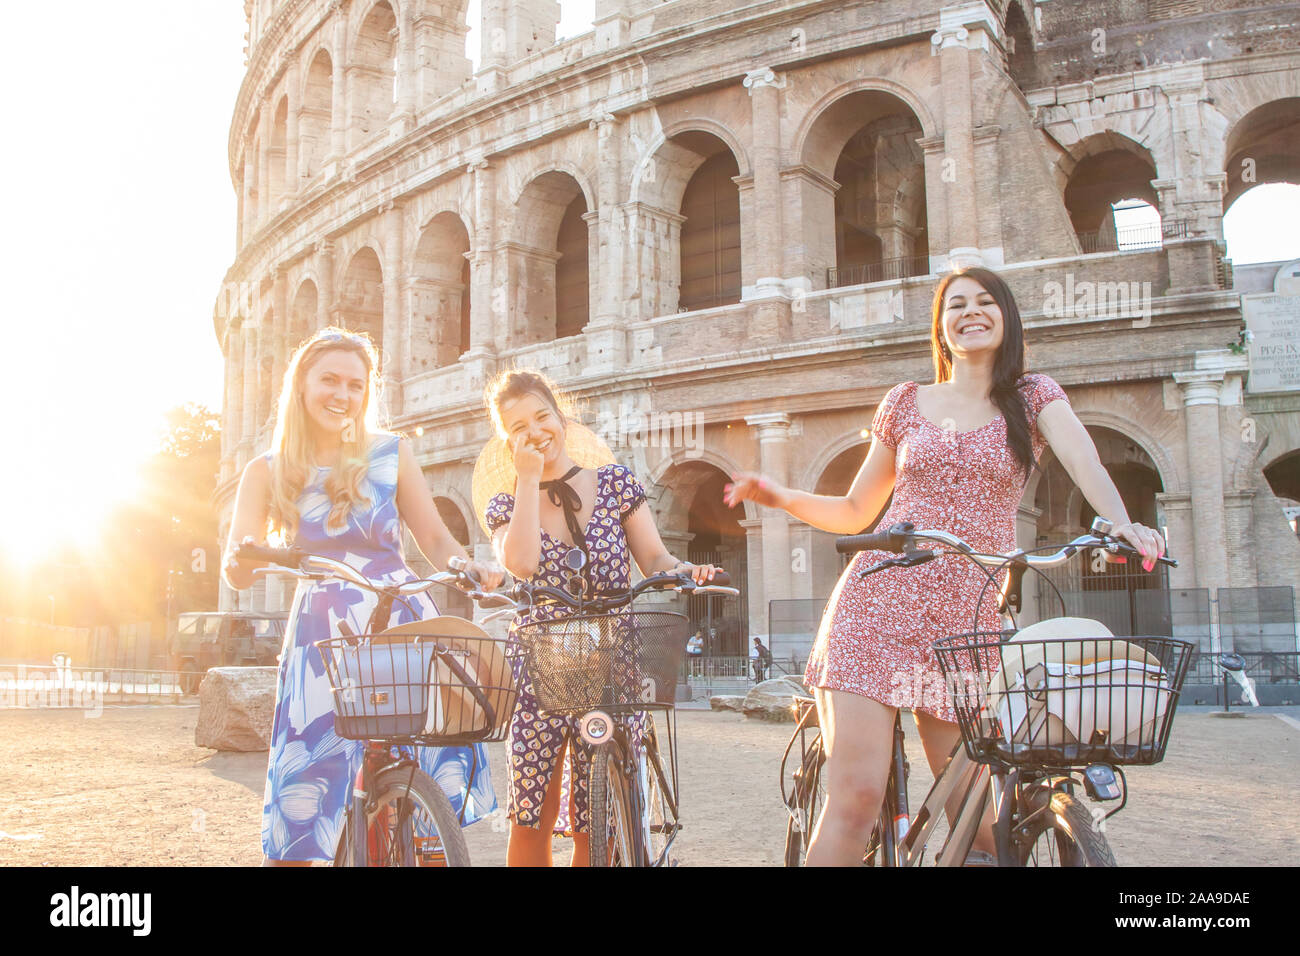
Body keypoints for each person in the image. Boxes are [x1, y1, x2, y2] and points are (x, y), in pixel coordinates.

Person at [724, 267, 1165, 866]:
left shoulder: (1035, 396)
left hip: (967, 618)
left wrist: (1119, 522)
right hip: (876, 606)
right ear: (941, 325)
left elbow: (1084, 459)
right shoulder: (905, 402)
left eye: (985, 301)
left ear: (1006, 316)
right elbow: (856, 511)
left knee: (976, 822)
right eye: (955, 304)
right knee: (855, 797)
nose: (970, 311)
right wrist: (779, 496)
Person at [222, 327, 505, 866]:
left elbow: (436, 538)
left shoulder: (392, 452)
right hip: (320, 630)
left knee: (420, 776)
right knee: (305, 784)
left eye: (356, 384)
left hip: (396, 613)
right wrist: (241, 560)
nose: (343, 395)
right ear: (301, 386)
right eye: (329, 380)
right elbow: (237, 568)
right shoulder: (266, 469)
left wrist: (468, 566)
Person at [475, 369, 721, 866]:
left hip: (612, 654)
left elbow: (653, 558)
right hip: (541, 662)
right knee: (531, 814)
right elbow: (520, 563)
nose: (535, 431)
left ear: (560, 416)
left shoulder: (614, 484)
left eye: (542, 416)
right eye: (518, 426)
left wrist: (685, 570)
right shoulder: (506, 504)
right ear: (507, 439)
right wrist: (526, 479)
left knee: (597, 816)